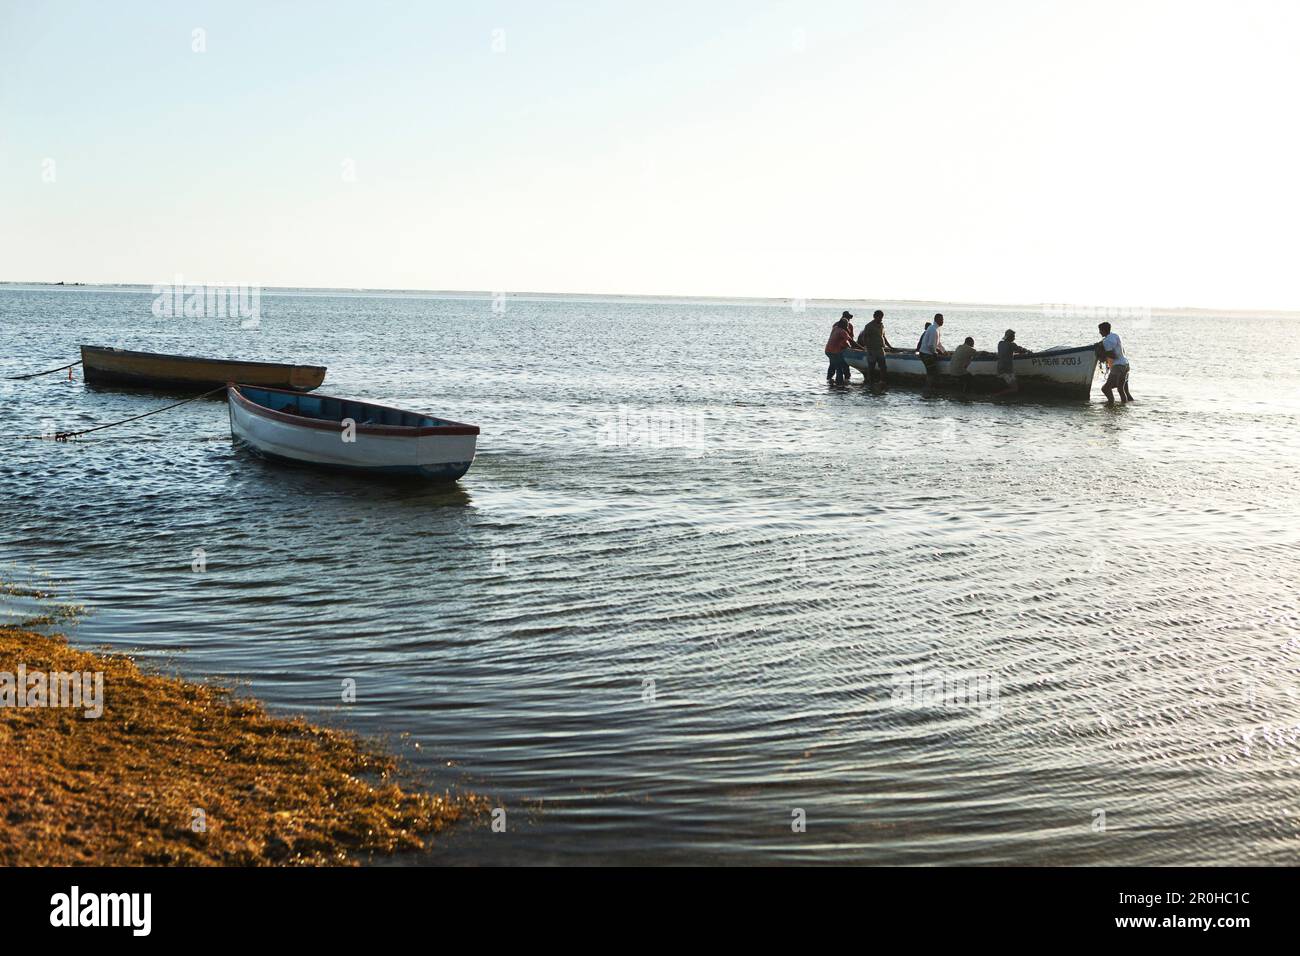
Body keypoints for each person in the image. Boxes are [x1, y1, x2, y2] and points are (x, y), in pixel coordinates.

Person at [1098, 321, 1133, 403]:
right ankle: (1124, 407)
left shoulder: (1106, 341)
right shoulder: (1115, 336)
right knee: (1121, 389)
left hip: (1118, 366)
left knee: (1105, 388)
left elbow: (1113, 356)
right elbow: (1122, 350)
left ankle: (1111, 404)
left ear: (1104, 330)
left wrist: (1101, 352)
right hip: (1125, 364)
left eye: (1100, 330)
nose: (1099, 332)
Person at [857, 309, 891, 391]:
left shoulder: (881, 325)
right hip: (872, 349)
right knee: (871, 367)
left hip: (880, 349)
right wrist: (867, 347)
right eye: (879, 317)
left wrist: (890, 346)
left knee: (883, 367)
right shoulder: (869, 326)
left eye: (881, 317)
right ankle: (870, 383)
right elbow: (865, 337)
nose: (880, 319)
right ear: (875, 317)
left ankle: (883, 381)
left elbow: (883, 337)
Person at [991, 329, 1032, 397]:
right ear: (1010, 337)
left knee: (1015, 385)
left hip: (1001, 368)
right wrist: (1028, 351)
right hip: (1006, 371)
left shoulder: (1000, 343)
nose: (1014, 338)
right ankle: (996, 395)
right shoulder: (1012, 345)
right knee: (1015, 389)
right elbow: (1020, 350)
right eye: (1013, 336)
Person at [916, 313, 947, 394]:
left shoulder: (936, 329)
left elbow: (938, 343)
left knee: (932, 372)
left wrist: (944, 351)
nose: (943, 321)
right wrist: (935, 352)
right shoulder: (933, 330)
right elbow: (930, 345)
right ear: (936, 320)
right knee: (932, 373)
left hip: (926, 353)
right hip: (926, 354)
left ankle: (930, 388)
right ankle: (927, 389)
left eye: (943, 319)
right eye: (941, 319)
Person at [824, 316, 853, 385]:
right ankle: (839, 383)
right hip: (834, 351)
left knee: (834, 364)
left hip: (828, 350)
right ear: (844, 325)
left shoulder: (835, 328)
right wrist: (860, 348)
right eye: (846, 325)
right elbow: (851, 341)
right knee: (839, 367)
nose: (847, 326)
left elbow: (843, 341)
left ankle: (830, 379)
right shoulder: (843, 331)